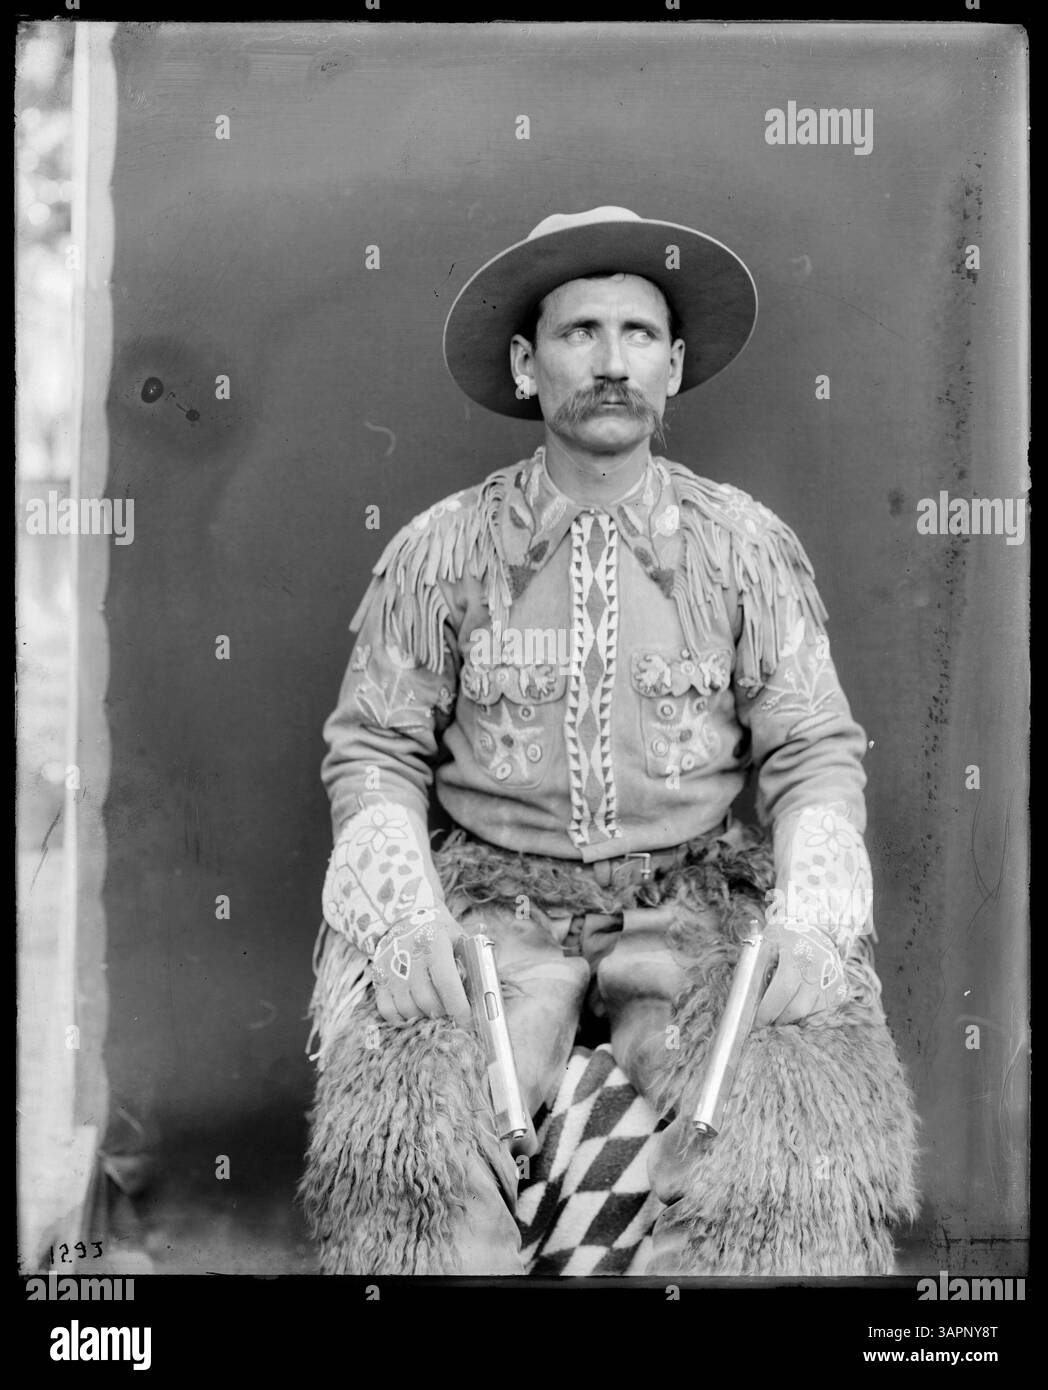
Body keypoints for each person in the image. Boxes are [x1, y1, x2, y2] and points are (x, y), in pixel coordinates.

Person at [301, 206, 918, 1276]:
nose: (611, 362)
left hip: (693, 902)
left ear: (671, 368)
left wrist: (815, 923)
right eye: (580, 332)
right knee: (407, 1124)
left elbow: (812, 749)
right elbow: (375, 753)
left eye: (638, 334)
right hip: (491, 907)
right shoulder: (441, 550)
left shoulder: (746, 547)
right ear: (525, 364)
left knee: (792, 1115)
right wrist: (403, 921)